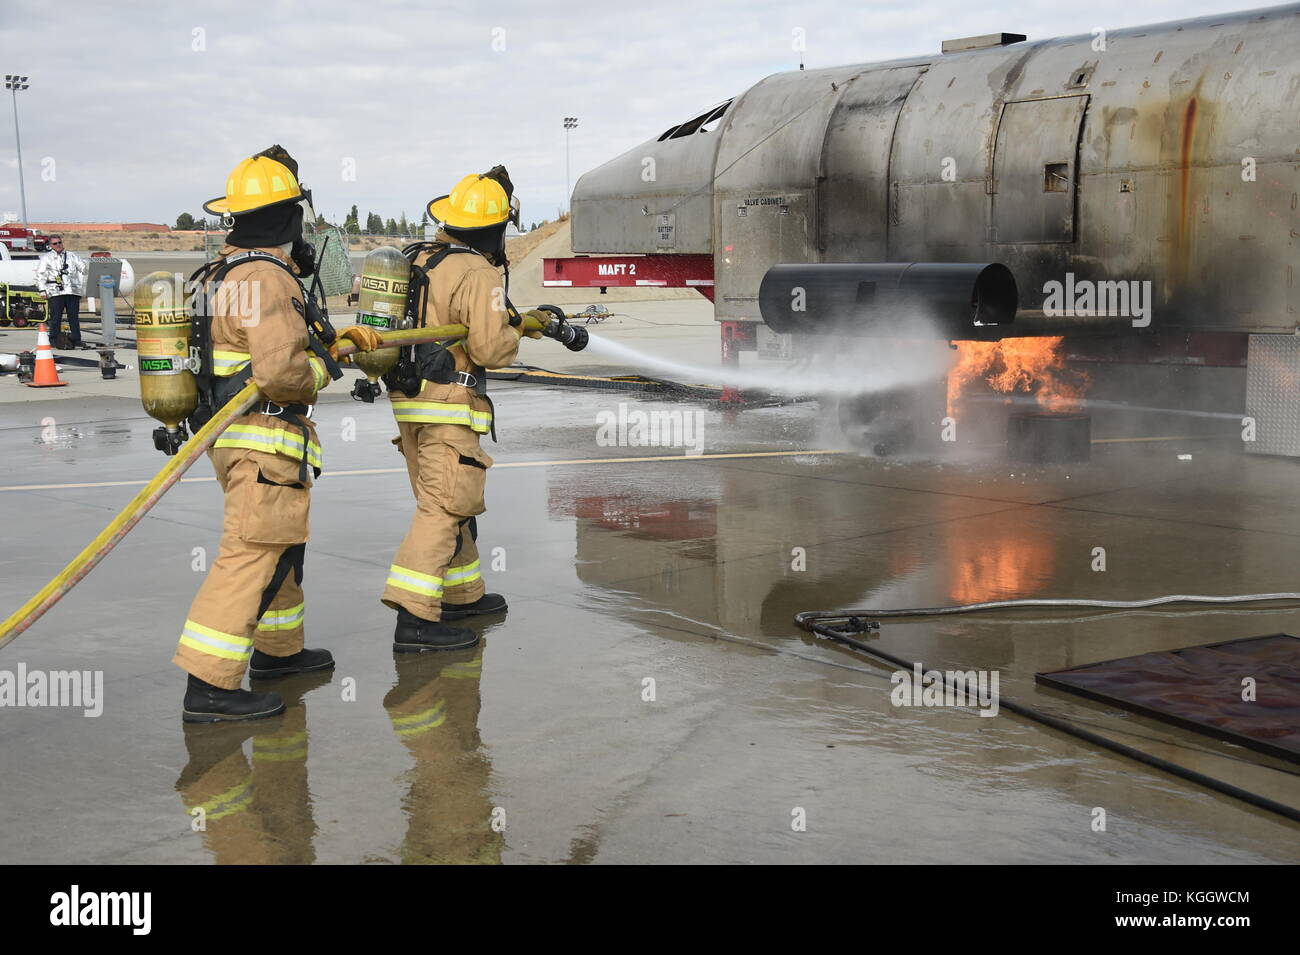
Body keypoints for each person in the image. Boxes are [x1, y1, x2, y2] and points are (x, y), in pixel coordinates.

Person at [175, 145, 381, 722]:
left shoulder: (223, 271)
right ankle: (209, 686)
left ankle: (279, 653)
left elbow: (255, 346)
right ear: (287, 217)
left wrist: (334, 337)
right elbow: (281, 372)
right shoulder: (266, 277)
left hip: (237, 437)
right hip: (263, 437)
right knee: (251, 553)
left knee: (282, 549)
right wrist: (322, 368)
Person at [380, 166, 544, 652]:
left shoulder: (416, 257)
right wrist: (517, 331)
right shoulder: (477, 270)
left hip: (410, 401)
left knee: (451, 505)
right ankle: (414, 619)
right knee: (445, 505)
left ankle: (462, 595)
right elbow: (491, 349)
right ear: (493, 228)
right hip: (449, 403)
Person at [35, 235, 87, 348]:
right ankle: (53, 339)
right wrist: (42, 290)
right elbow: (40, 275)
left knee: (73, 317)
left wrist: (91, 267)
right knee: (55, 317)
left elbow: (84, 268)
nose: (58, 245)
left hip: (72, 292)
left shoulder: (72, 256)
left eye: (59, 242)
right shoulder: (46, 258)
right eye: (55, 243)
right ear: (50, 246)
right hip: (55, 292)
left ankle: (76, 339)